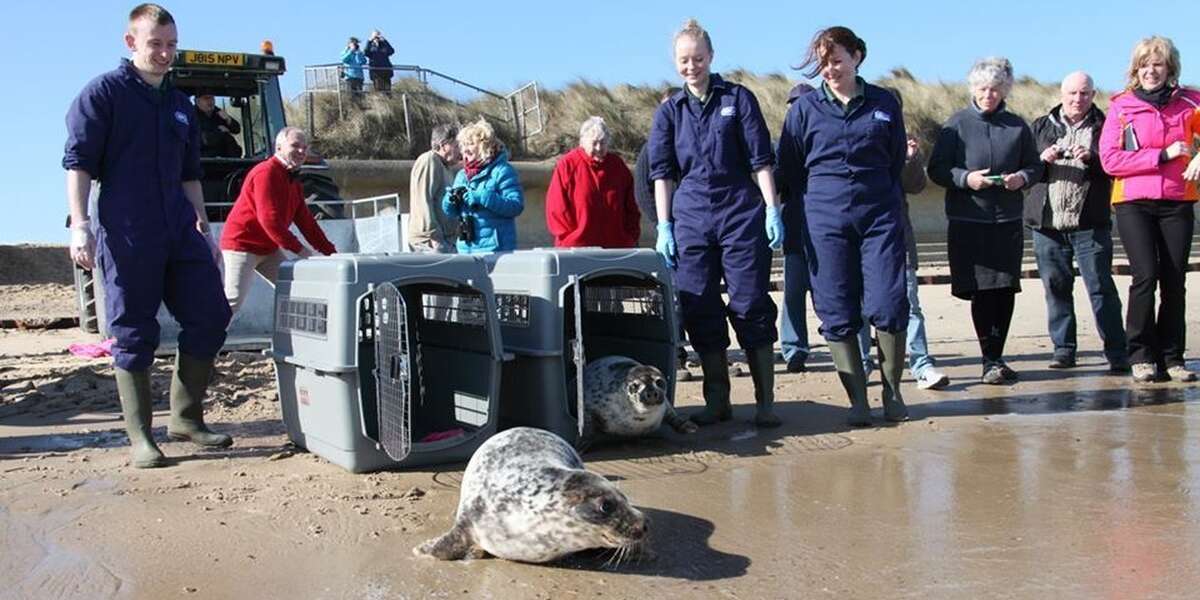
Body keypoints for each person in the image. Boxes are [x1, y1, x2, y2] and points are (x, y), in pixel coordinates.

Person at [63, 3, 233, 469]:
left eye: (171, 45)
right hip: (126, 228)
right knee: (134, 330)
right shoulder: (103, 94)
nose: (164, 53)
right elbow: (77, 163)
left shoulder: (180, 106)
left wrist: (206, 229)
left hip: (179, 226)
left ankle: (185, 418)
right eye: (155, 43)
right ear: (131, 42)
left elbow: (190, 174)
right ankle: (141, 436)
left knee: (210, 314)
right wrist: (80, 225)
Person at [649, 19, 782, 428]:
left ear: (711, 57)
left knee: (749, 303)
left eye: (699, 58)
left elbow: (761, 159)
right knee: (699, 304)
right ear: (676, 62)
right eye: (684, 60)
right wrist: (664, 224)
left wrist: (772, 208)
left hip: (739, 212)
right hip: (690, 217)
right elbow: (662, 172)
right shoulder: (670, 111)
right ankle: (717, 400)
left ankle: (765, 403)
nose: (692, 66)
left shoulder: (738, 99)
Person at [776, 26, 911, 425]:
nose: (830, 70)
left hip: (879, 215)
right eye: (823, 63)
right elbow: (790, 167)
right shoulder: (803, 110)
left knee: (888, 302)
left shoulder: (885, 102)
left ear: (856, 57)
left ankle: (892, 391)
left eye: (836, 61)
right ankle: (858, 400)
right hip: (824, 217)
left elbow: (895, 157)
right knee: (836, 308)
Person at [929, 57, 1043, 385]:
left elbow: (1035, 167)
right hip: (969, 220)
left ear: (1004, 90)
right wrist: (967, 179)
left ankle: (995, 358)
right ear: (973, 89)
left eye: (995, 89)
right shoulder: (956, 124)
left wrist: (1021, 177)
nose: (988, 94)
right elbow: (937, 169)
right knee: (980, 290)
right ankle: (988, 358)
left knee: (1004, 289)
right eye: (982, 89)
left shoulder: (1017, 125)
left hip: (1007, 220)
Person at [1099, 36, 1200, 383]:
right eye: (1144, 64)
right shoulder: (1121, 107)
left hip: (1177, 200)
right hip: (1133, 202)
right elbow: (1110, 160)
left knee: (1175, 280)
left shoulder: (1190, 101)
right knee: (1146, 276)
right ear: (1135, 69)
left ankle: (1172, 357)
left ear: (1169, 67)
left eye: (1157, 64)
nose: (1150, 71)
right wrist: (1161, 155)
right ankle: (1140, 355)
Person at [1025, 72, 1129, 373]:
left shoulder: (1107, 124)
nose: (1077, 99)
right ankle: (1064, 350)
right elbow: (1026, 171)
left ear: (1093, 95)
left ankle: (1117, 352)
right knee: (1055, 288)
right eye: (1072, 93)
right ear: (1061, 93)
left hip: (1090, 224)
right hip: (1047, 225)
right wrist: (1041, 159)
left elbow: (1117, 165)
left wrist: (1092, 158)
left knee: (1101, 288)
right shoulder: (1041, 126)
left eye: (1084, 93)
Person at [220, 127, 338, 313]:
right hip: (241, 245)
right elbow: (270, 221)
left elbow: (307, 223)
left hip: (268, 249)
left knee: (295, 293)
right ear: (279, 148)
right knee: (232, 302)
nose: (301, 151)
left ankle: (295, 340)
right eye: (295, 146)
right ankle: (203, 341)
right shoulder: (265, 173)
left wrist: (331, 253)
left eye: (304, 147)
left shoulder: (293, 182)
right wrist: (303, 251)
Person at [546, 116, 640, 248]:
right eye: (594, 143)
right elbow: (557, 208)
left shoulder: (618, 166)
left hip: (616, 247)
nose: (599, 148)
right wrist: (570, 239)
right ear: (582, 142)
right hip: (577, 248)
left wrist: (630, 236)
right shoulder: (567, 165)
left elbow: (631, 206)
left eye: (603, 143)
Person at [441, 118, 524, 254]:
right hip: (465, 248)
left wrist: (484, 197)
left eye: (470, 144)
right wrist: (449, 200)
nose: (465, 150)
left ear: (485, 146)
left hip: (495, 250)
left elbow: (516, 206)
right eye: (463, 145)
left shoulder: (502, 171)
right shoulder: (462, 175)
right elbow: (450, 212)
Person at [408, 124, 461, 253]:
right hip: (430, 242)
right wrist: (432, 235)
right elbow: (423, 201)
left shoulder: (446, 167)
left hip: (443, 239)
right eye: (457, 146)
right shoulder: (429, 160)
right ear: (443, 145)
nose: (461, 150)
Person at [194, 92, 241, 158]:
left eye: (212, 98)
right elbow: (204, 139)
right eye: (206, 98)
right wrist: (220, 131)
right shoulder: (192, 115)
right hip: (202, 159)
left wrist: (228, 119)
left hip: (224, 159)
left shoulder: (218, 112)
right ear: (198, 101)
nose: (211, 101)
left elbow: (237, 129)